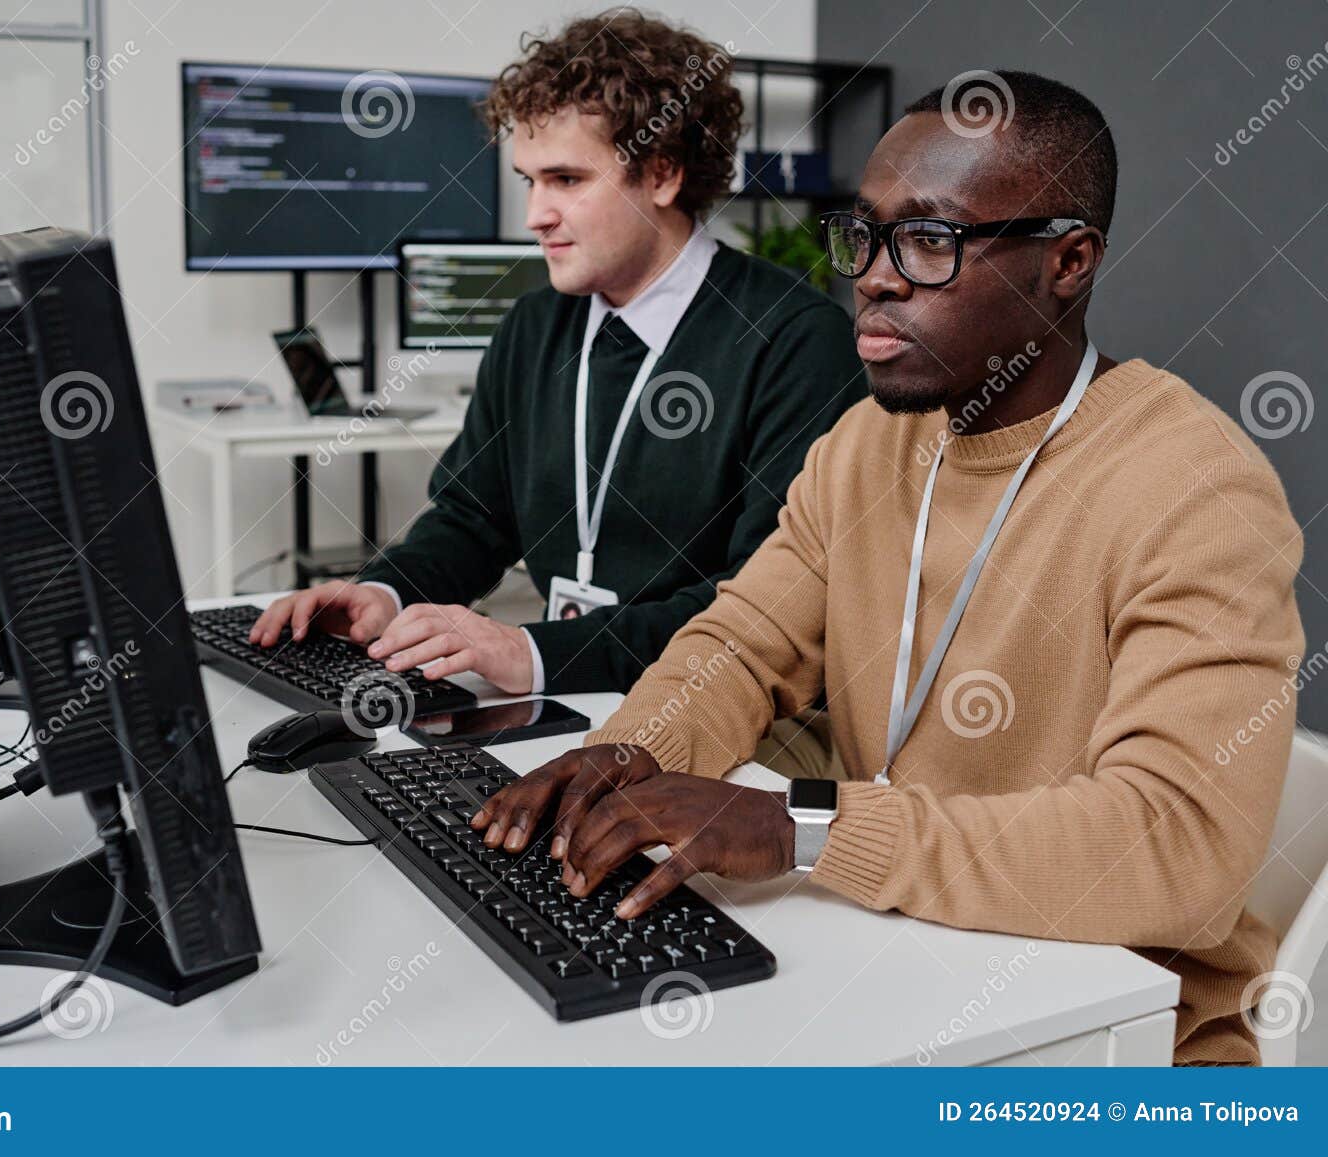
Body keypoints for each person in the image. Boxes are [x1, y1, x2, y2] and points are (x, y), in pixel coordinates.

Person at [471, 70, 1305, 1065]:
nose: (872, 276)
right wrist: (630, 749)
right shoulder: (866, 443)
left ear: (1068, 261)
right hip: (908, 957)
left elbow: (1177, 847)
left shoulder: (1195, 487)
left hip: (1120, 1031)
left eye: (930, 240)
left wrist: (805, 827)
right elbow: (742, 644)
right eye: (862, 235)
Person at [250, 10, 865, 694]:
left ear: (662, 174)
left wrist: (536, 653)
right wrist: (386, 593)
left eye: (567, 180)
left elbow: (768, 601)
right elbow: (473, 518)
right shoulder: (533, 325)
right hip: (570, 693)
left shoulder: (795, 340)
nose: (534, 215)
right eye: (529, 180)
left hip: (715, 706)